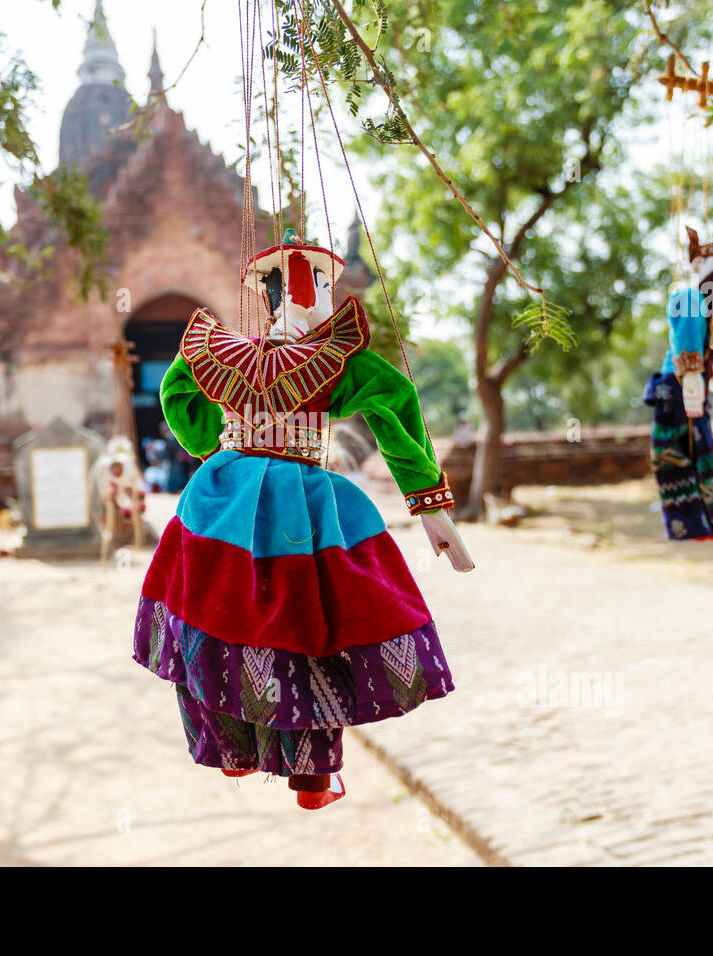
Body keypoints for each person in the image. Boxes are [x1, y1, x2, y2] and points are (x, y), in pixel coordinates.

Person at [133, 229, 473, 810]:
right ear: (291, 289)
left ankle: (236, 751)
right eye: (315, 281)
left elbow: (176, 391)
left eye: (322, 280)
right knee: (302, 628)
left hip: (223, 497)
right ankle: (305, 772)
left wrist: (210, 445)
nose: (320, 292)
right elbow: (395, 405)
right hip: (299, 507)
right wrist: (429, 503)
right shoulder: (335, 359)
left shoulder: (222, 354)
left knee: (221, 615)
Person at [644, 226, 713, 541]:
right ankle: (690, 524)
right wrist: (692, 380)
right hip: (678, 389)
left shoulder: (702, 305)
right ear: (699, 265)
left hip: (690, 387)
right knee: (681, 455)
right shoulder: (688, 297)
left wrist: (710, 375)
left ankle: (704, 522)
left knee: (700, 454)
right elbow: (685, 343)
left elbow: (699, 345)